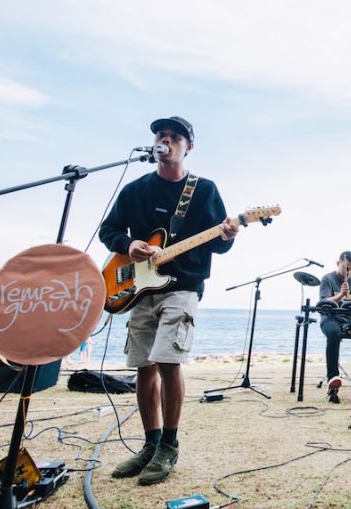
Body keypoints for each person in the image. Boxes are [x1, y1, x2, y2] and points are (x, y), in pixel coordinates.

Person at [100, 116, 240, 486]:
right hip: (138, 289)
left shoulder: (204, 190)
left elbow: (221, 245)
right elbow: (108, 230)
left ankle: (170, 445)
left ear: (188, 146)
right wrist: (128, 245)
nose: (167, 140)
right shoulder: (135, 190)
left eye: (175, 136)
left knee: (167, 359)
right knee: (142, 366)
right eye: (162, 135)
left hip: (183, 285)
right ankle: (150, 443)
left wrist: (228, 234)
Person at [319, 250, 351, 403]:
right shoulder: (327, 279)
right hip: (329, 318)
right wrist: (341, 295)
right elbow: (324, 303)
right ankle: (333, 381)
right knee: (334, 334)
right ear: (338, 263)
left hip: (348, 319)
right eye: (346, 268)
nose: (349, 272)